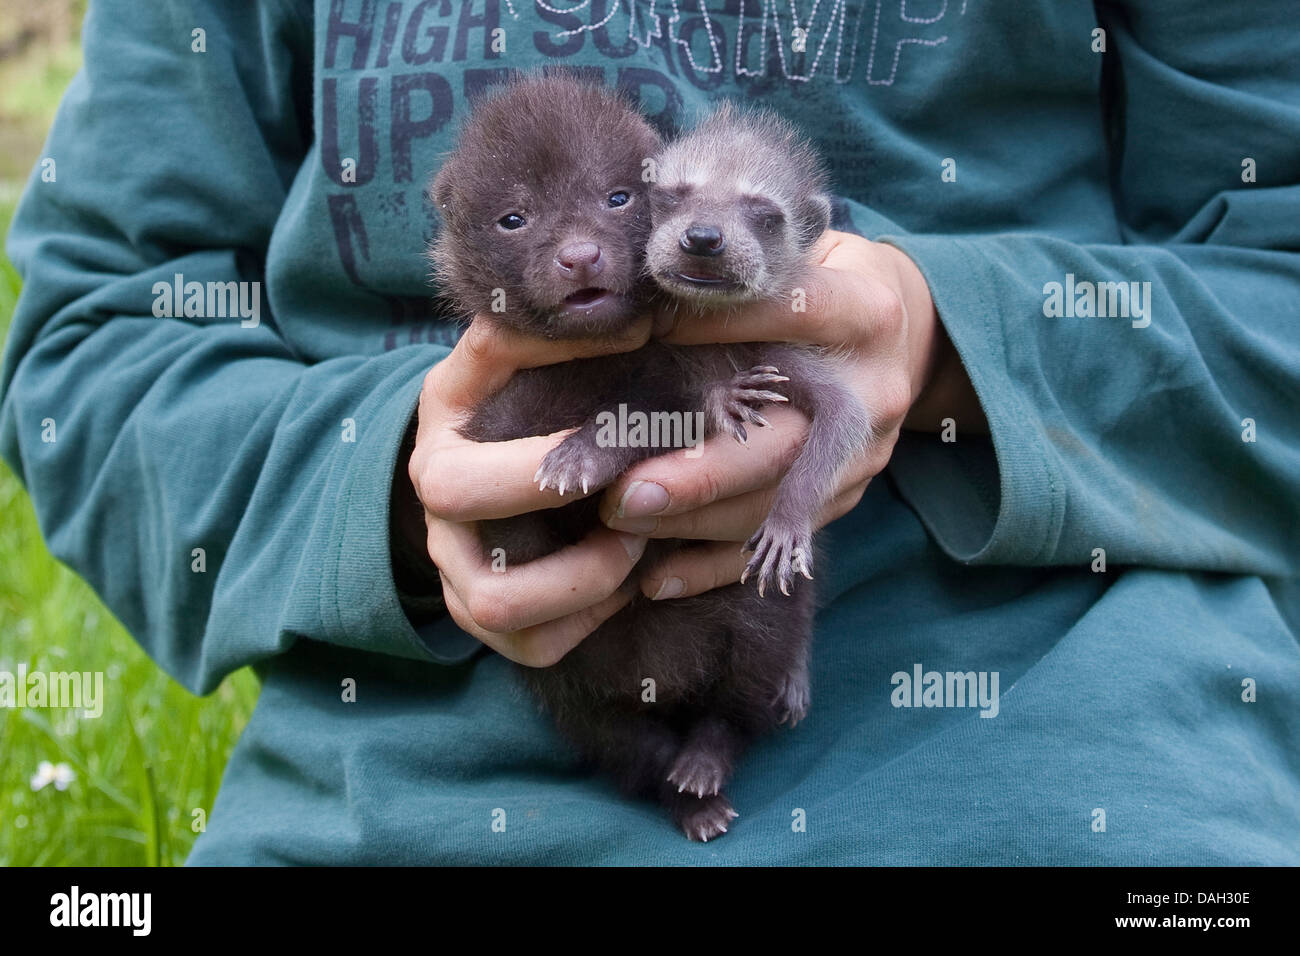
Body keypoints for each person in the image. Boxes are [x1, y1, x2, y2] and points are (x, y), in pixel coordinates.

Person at [2, 0, 1296, 864]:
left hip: (1057, 769)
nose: (587, 247)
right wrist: (398, 481)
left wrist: (959, 342)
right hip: (433, 795)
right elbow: (87, 350)